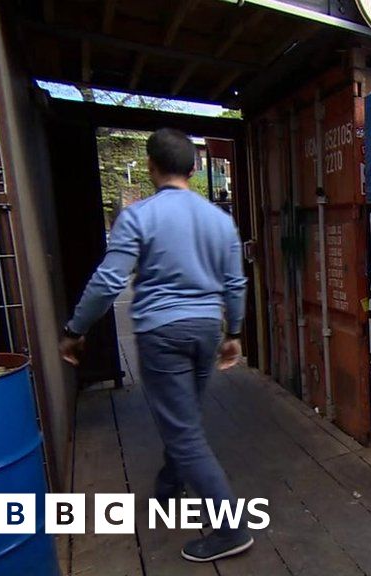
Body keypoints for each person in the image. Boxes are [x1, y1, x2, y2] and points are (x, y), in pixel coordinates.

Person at [59, 129, 252, 561]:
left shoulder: (138, 216)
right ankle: (169, 483)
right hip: (206, 328)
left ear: (150, 166)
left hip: (162, 334)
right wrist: (234, 333)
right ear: (194, 167)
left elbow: (109, 280)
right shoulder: (219, 221)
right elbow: (235, 282)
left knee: (183, 430)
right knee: (184, 419)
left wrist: (75, 328)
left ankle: (230, 529)